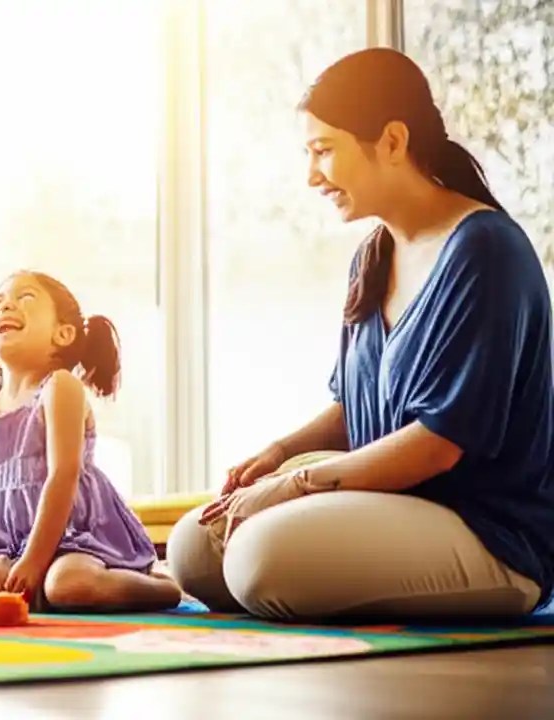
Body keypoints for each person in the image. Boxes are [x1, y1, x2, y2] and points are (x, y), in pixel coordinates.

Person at [168, 47, 554, 620]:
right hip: (395, 507)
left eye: (324, 150)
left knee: (257, 559)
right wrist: (278, 454)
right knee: (195, 548)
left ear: (393, 142)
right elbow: (354, 408)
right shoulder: (373, 257)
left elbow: (437, 444)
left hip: (490, 534)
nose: (311, 176)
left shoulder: (486, 251)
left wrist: (295, 484)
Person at [0, 271, 181, 611]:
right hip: (3, 543)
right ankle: (36, 589)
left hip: (75, 537)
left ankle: (161, 585)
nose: (5, 304)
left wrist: (35, 560)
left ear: (62, 334)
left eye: (25, 298)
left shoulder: (60, 386)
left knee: (67, 585)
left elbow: (63, 474)